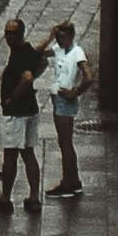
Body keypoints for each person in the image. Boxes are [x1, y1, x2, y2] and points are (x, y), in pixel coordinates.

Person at [0, 19, 44, 214]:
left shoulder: (18, 55)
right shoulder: (27, 50)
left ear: (21, 33)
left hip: (17, 112)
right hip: (30, 108)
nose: (8, 37)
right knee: (28, 153)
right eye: (7, 33)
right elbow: (41, 60)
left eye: (12, 33)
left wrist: (12, 97)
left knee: (11, 155)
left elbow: (28, 77)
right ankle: (33, 196)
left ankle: (6, 196)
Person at [42, 16, 87, 199]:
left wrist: (75, 92)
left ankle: (68, 182)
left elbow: (89, 76)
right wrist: (51, 36)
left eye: (63, 36)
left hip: (64, 100)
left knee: (66, 143)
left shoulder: (77, 52)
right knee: (64, 142)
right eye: (59, 37)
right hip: (57, 98)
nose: (61, 40)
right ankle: (73, 180)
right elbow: (38, 52)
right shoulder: (58, 49)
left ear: (71, 36)